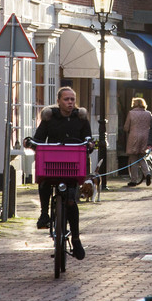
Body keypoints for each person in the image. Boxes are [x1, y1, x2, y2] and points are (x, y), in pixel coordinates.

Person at [30, 86, 91, 259]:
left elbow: (88, 139)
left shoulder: (80, 118)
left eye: (72, 99)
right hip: (52, 165)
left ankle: (77, 239)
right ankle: (44, 214)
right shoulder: (50, 117)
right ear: (58, 101)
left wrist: (90, 144)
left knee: (71, 201)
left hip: (73, 169)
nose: (70, 102)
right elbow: (39, 138)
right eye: (66, 99)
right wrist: (32, 142)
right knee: (43, 182)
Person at [122, 96, 152, 187]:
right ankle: (147, 173)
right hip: (145, 137)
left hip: (134, 136)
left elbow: (126, 127)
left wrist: (128, 130)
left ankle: (134, 180)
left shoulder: (131, 113)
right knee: (142, 157)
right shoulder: (148, 114)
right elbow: (151, 126)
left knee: (133, 159)